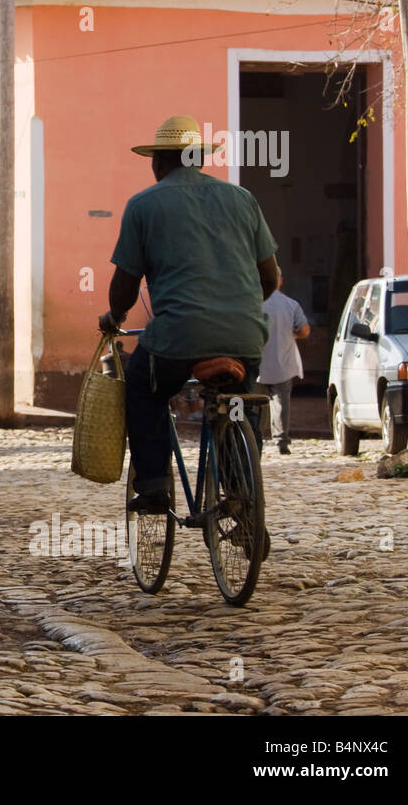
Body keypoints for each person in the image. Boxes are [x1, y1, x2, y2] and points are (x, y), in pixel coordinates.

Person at [98, 115, 280, 520]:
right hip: (244, 336)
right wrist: (243, 305)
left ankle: (152, 488)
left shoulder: (144, 205)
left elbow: (125, 284)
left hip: (177, 339)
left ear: (159, 161)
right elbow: (271, 277)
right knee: (240, 402)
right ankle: (242, 493)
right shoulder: (243, 199)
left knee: (145, 391)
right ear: (200, 159)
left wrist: (114, 316)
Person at [257, 276, 310, 455]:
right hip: (283, 363)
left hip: (257, 363)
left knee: (255, 403)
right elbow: (304, 329)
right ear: (279, 281)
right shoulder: (290, 304)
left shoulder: (253, 302)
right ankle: (281, 441)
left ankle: (254, 437)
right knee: (281, 403)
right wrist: (294, 335)